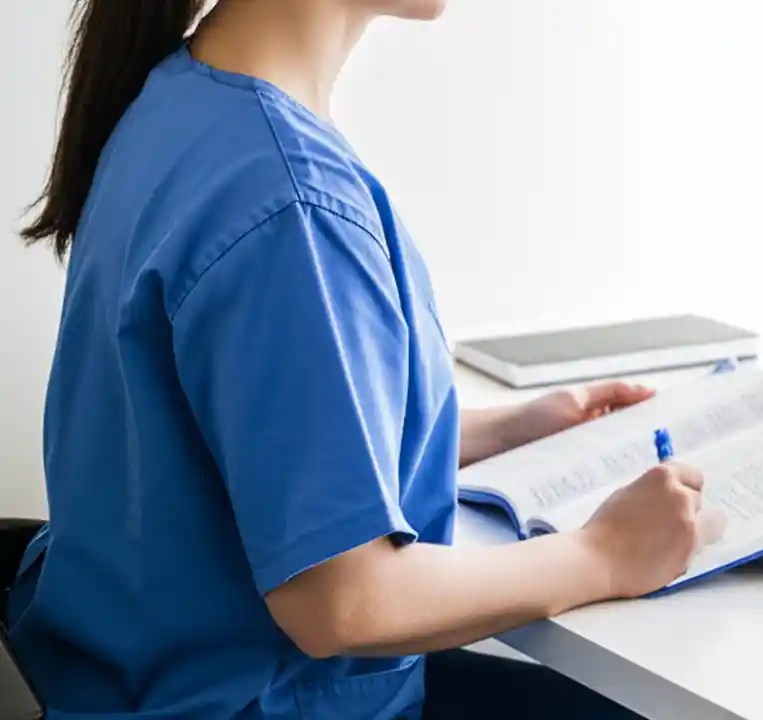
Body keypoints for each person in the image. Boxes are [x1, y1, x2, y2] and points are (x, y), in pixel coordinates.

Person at [7, 1, 723, 717]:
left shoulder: (187, 103)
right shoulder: (289, 199)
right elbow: (343, 602)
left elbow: (242, 437)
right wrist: (604, 554)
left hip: (135, 681)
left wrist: (503, 430)